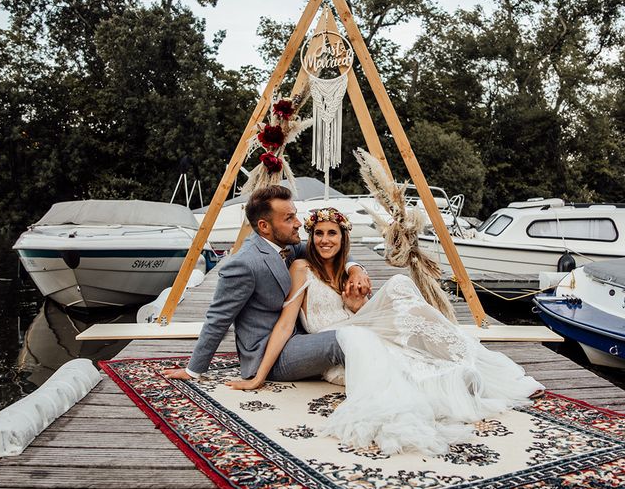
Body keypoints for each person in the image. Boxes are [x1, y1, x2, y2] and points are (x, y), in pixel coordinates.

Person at [226, 207, 544, 456]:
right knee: (394, 345)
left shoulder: (345, 272)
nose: (325, 239)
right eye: (319, 233)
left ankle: (462, 358)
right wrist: (259, 376)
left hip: (357, 327)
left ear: (342, 237)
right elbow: (286, 322)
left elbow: (356, 312)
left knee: (400, 285)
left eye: (332, 233)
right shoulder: (301, 267)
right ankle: (452, 373)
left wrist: (354, 302)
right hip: (338, 341)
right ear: (311, 237)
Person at [161, 186, 372, 383]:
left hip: (301, 340)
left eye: (295, 214)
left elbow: (327, 249)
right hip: (269, 356)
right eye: (289, 218)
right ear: (264, 226)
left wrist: (354, 268)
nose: (298, 223)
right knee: (344, 339)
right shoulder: (244, 263)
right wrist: (193, 370)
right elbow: (218, 319)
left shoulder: (287, 244)